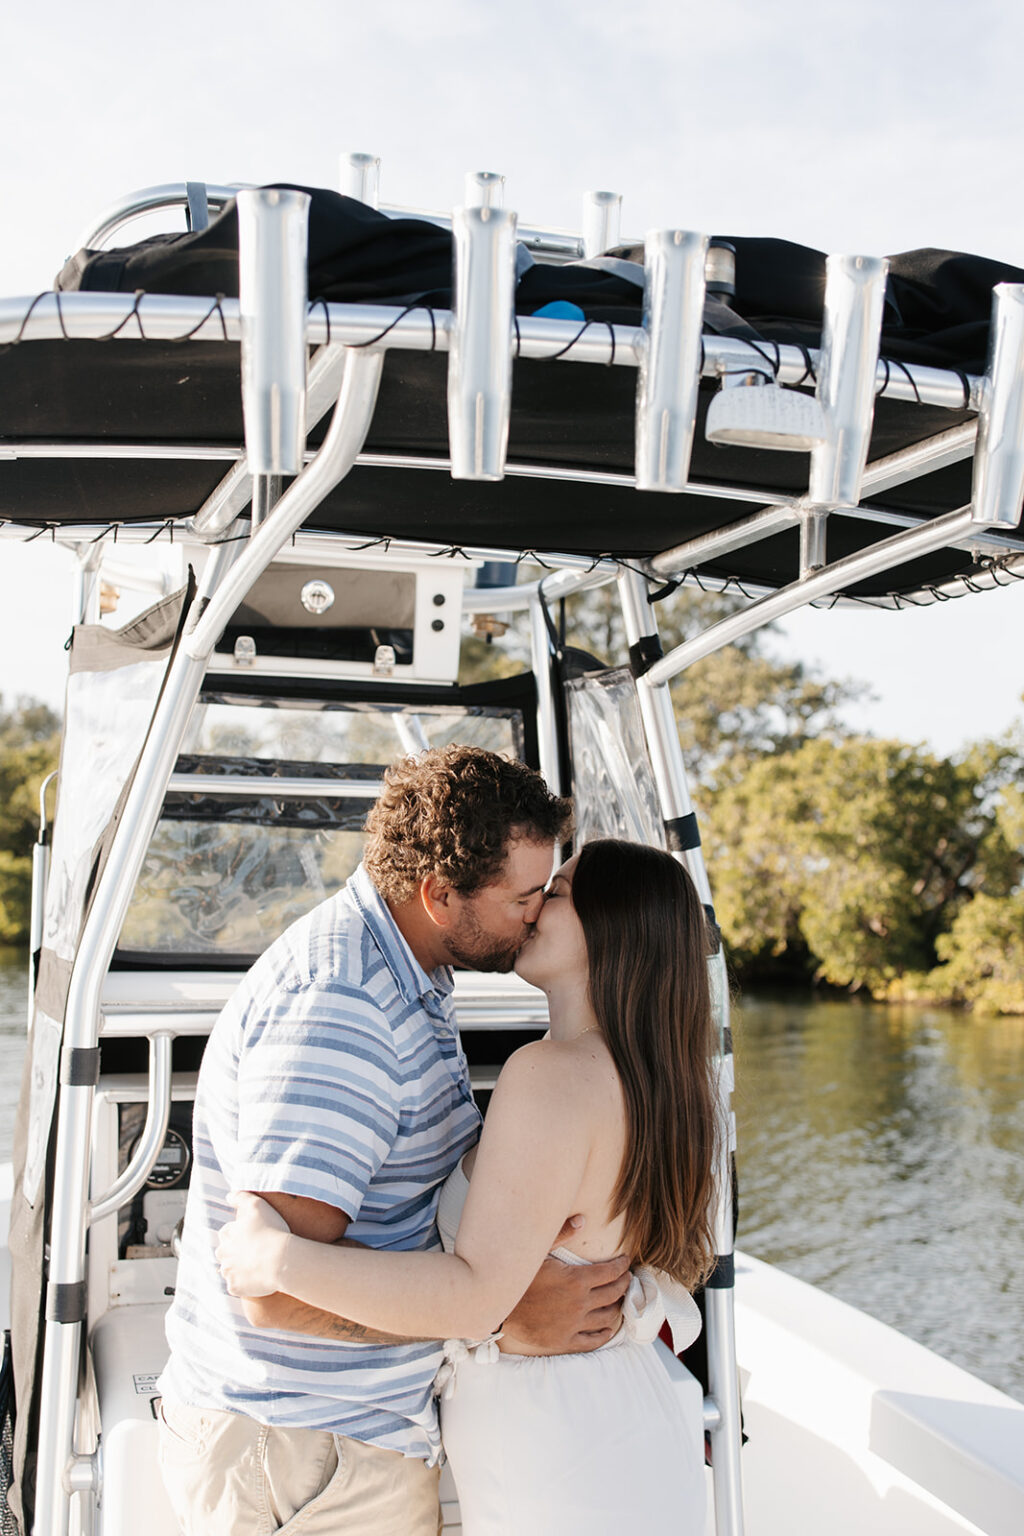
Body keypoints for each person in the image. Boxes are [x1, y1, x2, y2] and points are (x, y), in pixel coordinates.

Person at [157, 746, 633, 1536]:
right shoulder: (344, 1007)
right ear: (441, 895)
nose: (538, 912)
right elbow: (278, 1293)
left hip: (338, 1438)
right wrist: (497, 1317)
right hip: (305, 1447)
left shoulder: (402, 973)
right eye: (524, 895)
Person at [218, 838, 720, 1535]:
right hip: (628, 1412)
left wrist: (274, 1260)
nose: (536, 906)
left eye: (561, 893)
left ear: (614, 929)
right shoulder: (663, 1085)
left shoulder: (550, 1075)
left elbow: (476, 1295)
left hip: (560, 1443)